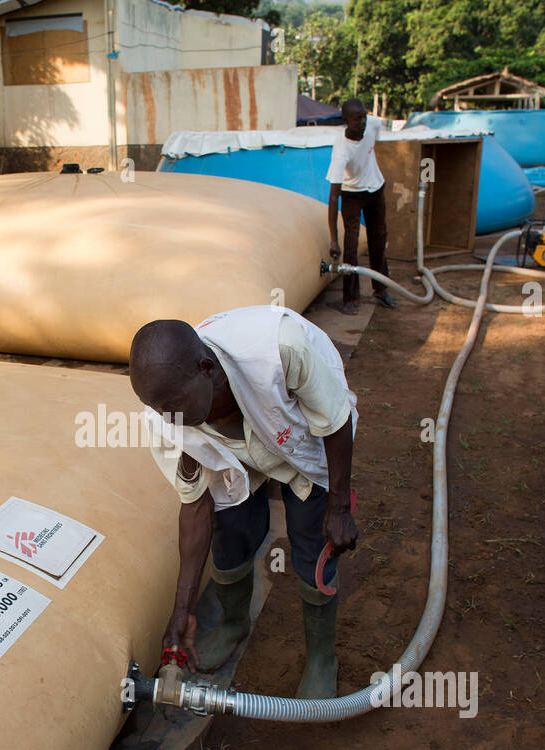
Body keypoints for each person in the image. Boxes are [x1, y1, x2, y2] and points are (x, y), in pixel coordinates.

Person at [129, 306, 359, 699]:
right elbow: (195, 505)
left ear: (207, 368)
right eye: (159, 409)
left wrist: (338, 508)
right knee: (229, 531)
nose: (170, 418)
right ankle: (234, 623)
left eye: (176, 405)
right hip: (233, 452)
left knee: (312, 541)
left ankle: (322, 657)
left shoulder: (280, 351)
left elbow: (335, 420)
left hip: (300, 433)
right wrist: (182, 609)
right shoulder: (168, 416)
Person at [327, 98, 396, 315]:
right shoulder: (342, 150)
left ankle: (381, 289)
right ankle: (350, 298)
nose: (363, 122)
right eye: (357, 119)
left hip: (375, 188)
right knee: (351, 246)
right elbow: (333, 197)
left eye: (364, 116)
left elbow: (376, 141)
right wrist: (333, 239)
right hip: (352, 194)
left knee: (379, 238)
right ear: (346, 120)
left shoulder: (372, 125)